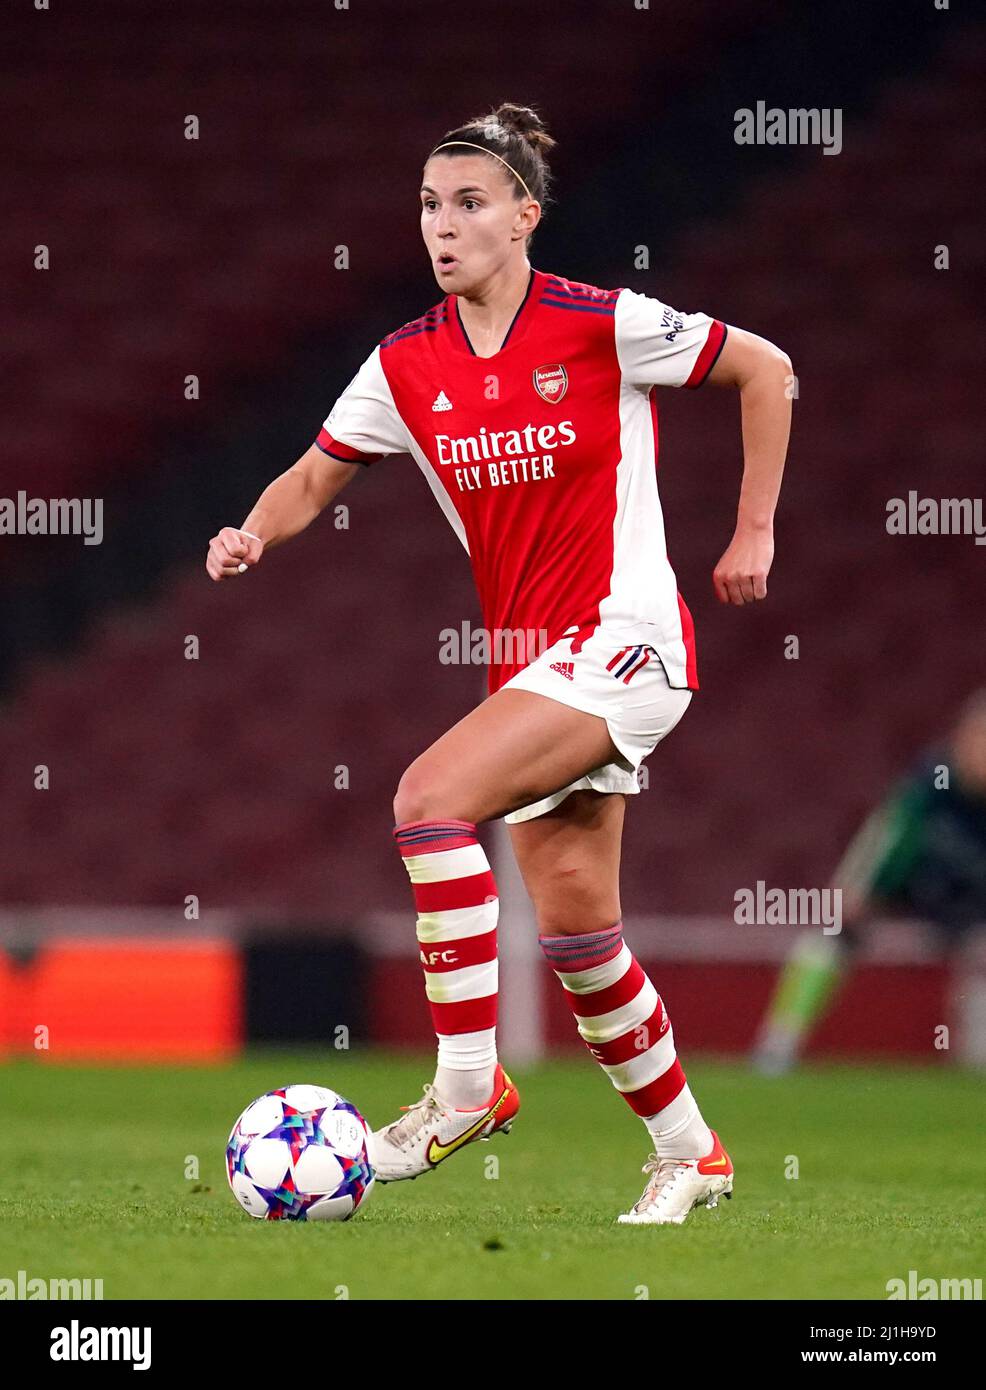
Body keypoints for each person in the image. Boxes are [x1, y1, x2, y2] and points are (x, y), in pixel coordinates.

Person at [206, 102, 792, 1225]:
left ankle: (465, 1089)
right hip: (531, 664)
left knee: (427, 798)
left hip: (624, 641)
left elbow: (765, 369)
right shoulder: (404, 363)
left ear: (524, 216)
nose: (443, 224)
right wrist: (251, 531)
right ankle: (691, 1154)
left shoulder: (599, 322)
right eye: (429, 203)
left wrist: (752, 529)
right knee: (579, 939)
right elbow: (312, 476)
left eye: (469, 202)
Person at [753, 689, 986, 1075]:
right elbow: (879, 849)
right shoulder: (925, 790)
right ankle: (777, 1048)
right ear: (961, 738)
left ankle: (976, 1064)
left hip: (975, 908)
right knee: (831, 932)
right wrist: (854, 893)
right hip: (920, 888)